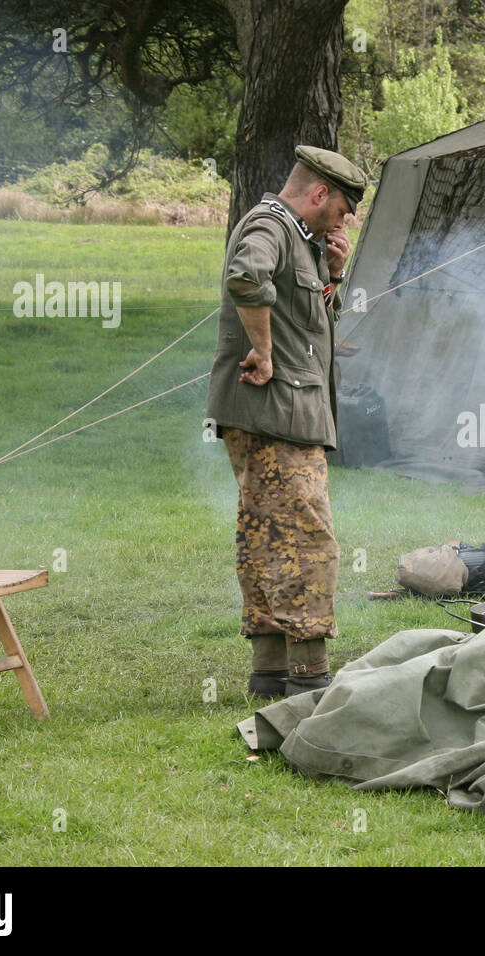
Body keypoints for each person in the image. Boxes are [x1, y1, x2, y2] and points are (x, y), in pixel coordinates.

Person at [206, 145, 368, 698]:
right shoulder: (271, 226)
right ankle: (310, 678)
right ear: (319, 194)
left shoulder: (301, 240)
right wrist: (264, 351)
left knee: (266, 535)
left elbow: (307, 321)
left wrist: (332, 275)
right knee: (307, 539)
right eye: (343, 209)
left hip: (281, 414)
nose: (345, 221)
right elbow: (246, 279)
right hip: (276, 414)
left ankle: (271, 671)